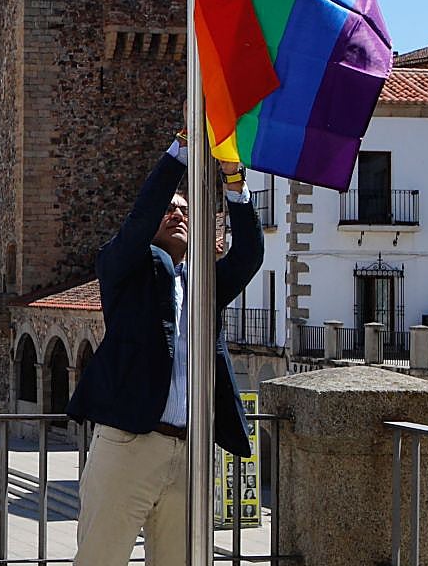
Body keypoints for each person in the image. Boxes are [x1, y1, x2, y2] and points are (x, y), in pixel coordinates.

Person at [66, 133, 263, 566]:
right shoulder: (123, 271)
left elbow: (248, 254)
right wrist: (182, 152)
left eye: (185, 210)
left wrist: (233, 178)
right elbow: (138, 223)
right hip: (129, 446)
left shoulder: (205, 285)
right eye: (168, 209)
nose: (176, 213)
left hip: (190, 450)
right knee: (100, 559)